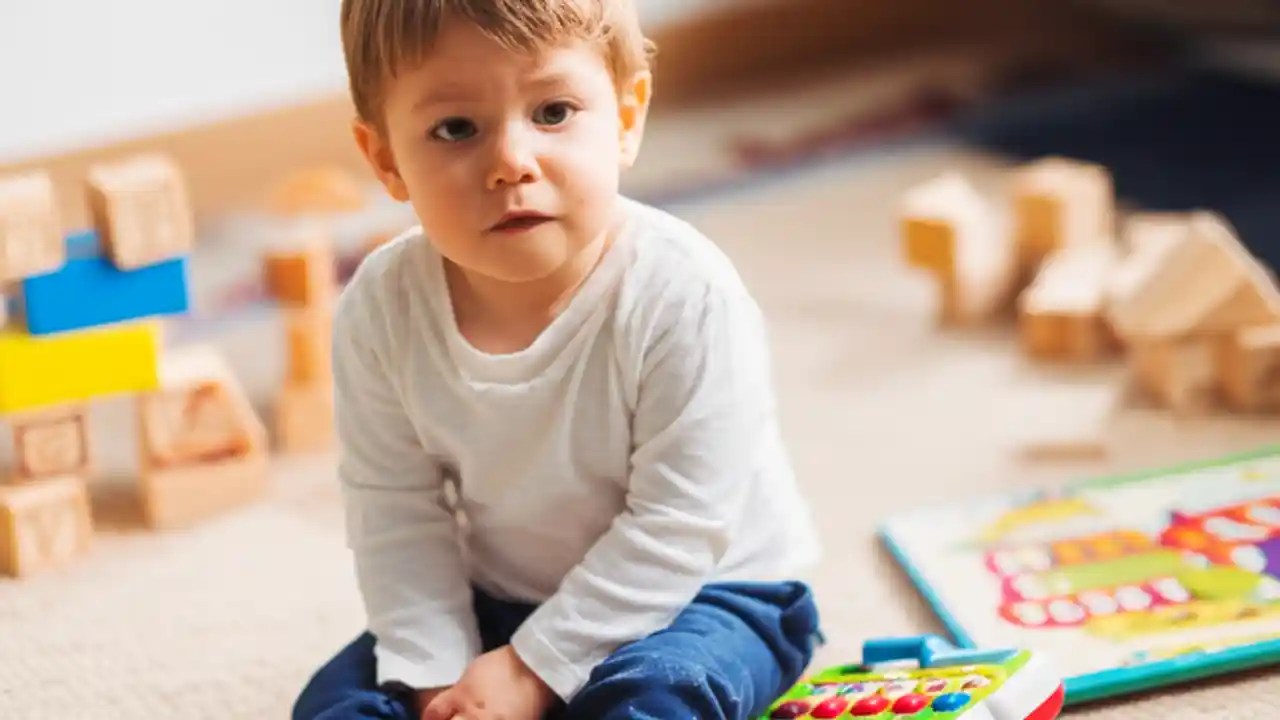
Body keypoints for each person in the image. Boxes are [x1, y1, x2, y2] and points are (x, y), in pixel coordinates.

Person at [293, 1, 823, 718]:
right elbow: (395, 513)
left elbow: (680, 523)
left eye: (553, 112)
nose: (512, 162)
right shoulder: (381, 308)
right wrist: (439, 682)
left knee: (655, 695)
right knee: (337, 703)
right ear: (387, 158)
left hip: (713, 593)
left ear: (627, 117)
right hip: (503, 601)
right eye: (456, 128)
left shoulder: (684, 293)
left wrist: (532, 670)